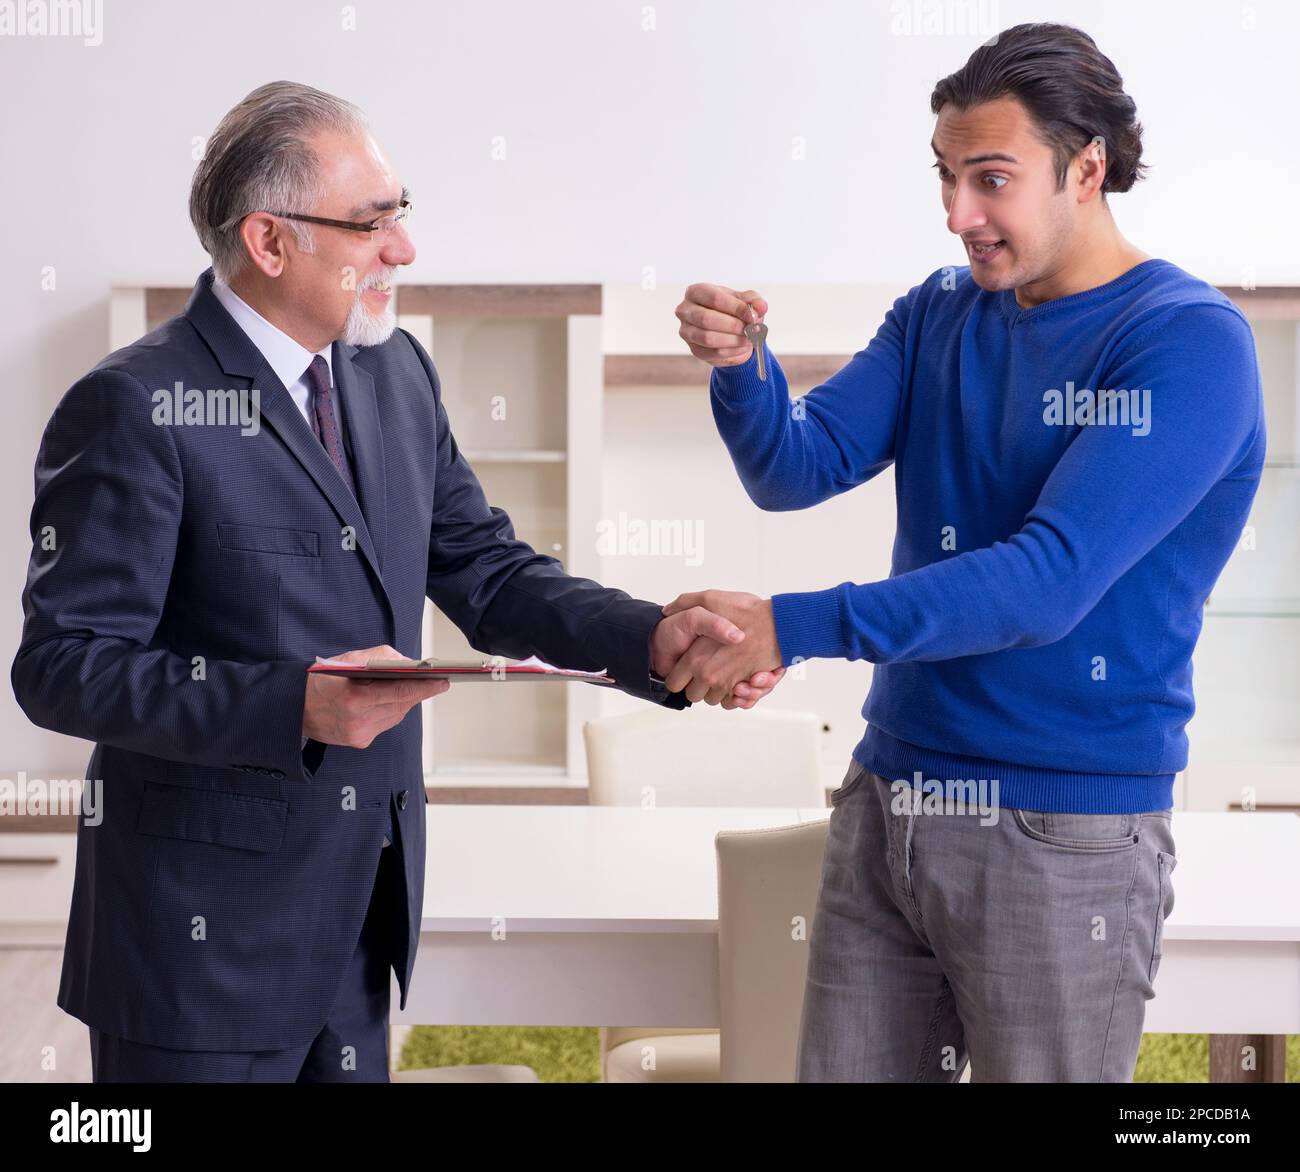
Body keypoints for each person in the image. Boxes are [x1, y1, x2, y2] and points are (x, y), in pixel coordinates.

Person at [10, 81, 780, 1083]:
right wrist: (295, 702)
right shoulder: (136, 403)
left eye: (399, 214)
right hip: (200, 952)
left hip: (361, 916)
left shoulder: (394, 373)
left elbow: (489, 573)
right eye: (371, 224)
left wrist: (649, 640)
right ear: (270, 242)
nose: (404, 249)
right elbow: (65, 665)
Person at [668, 22, 1265, 1081]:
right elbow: (796, 466)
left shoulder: (1185, 342)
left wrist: (790, 626)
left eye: (990, 179)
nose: (958, 216)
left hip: (1061, 831)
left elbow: (1046, 580)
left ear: (1087, 168)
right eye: (945, 178)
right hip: (889, 800)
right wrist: (744, 367)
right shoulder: (941, 311)